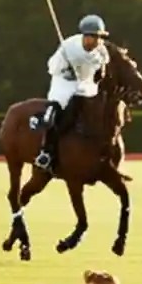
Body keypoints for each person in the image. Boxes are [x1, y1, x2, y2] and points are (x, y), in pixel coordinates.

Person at [33, 14, 112, 173]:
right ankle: (46, 152)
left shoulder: (102, 51)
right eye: (92, 37)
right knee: (55, 111)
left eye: (98, 37)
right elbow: (52, 66)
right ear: (84, 36)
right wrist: (66, 68)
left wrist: (100, 74)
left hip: (86, 84)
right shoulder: (68, 47)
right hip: (65, 83)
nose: (95, 41)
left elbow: (102, 68)